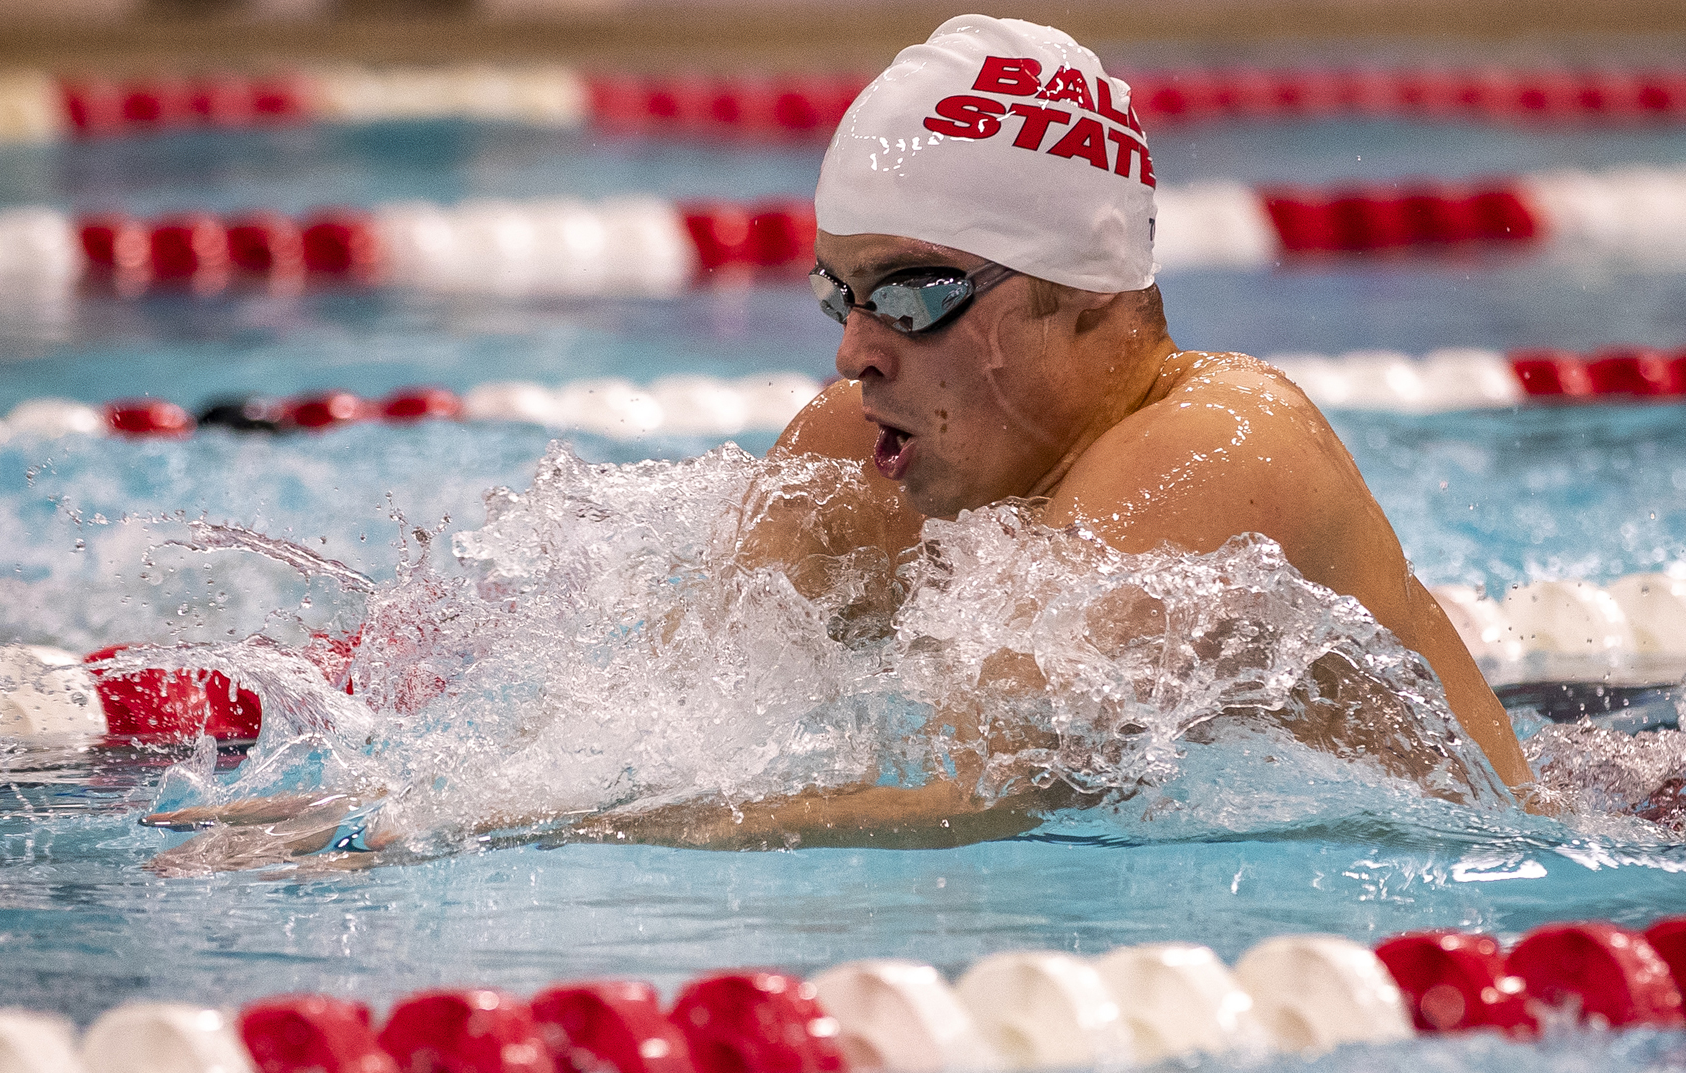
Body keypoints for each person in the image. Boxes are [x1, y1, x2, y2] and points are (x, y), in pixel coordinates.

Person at [144, 16, 1530, 869]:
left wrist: (513, 839)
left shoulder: (1222, 446)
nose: (856, 351)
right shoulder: (871, 447)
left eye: (918, 295)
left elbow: (983, 787)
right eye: (842, 294)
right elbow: (666, 711)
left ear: (1093, 298)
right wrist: (405, 799)